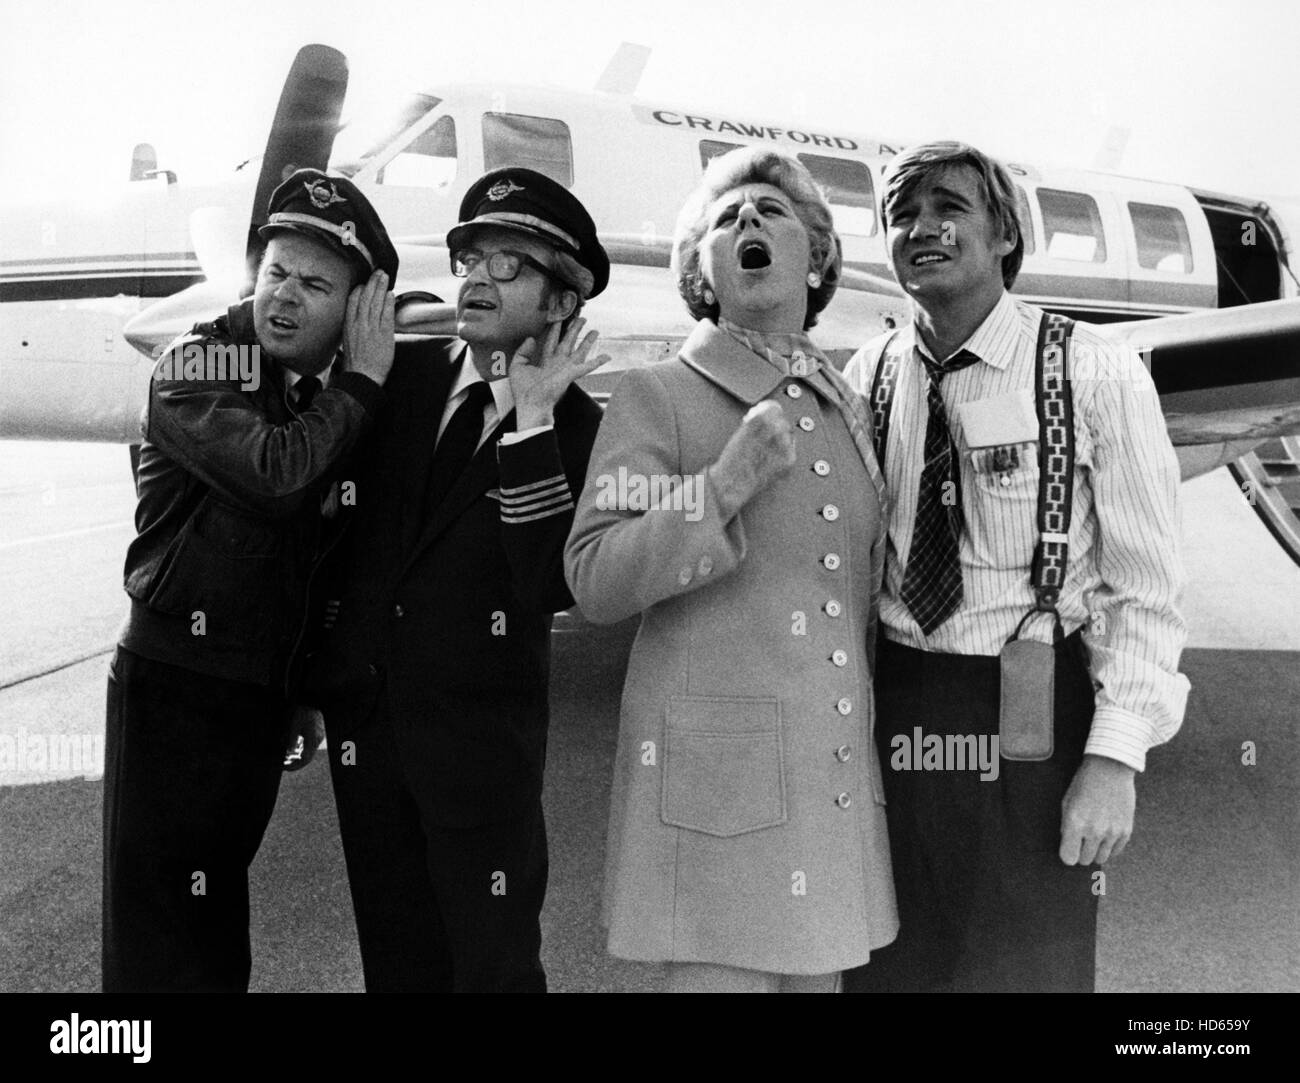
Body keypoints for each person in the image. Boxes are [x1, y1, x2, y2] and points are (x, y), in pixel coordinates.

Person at [840, 142, 1190, 993]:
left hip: (1030, 715)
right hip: (897, 707)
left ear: (1005, 234)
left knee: (1024, 975)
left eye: (948, 208)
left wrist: (1114, 761)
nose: (922, 229)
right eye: (903, 215)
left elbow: (1146, 587)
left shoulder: (1095, 369)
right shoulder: (869, 373)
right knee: (888, 970)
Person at [564, 146, 897, 993]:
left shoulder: (845, 405)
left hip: (827, 804)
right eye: (725, 220)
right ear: (702, 272)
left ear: (817, 257)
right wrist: (719, 490)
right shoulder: (659, 395)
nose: (748, 221)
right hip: (717, 807)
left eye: (772, 212)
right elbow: (595, 576)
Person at [299, 167, 608, 993]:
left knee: (493, 970)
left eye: (509, 264)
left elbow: (551, 584)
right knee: (396, 969)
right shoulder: (397, 377)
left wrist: (533, 422)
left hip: (480, 760)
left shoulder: (582, 431)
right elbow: (333, 535)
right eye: (472, 255)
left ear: (560, 302)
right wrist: (308, 682)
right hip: (370, 736)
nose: (477, 276)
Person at [103, 168, 398, 992]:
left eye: (314, 283)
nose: (286, 297)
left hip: (255, 695)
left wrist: (296, 691)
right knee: (157, 933)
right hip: (174, 685)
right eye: (275, 272)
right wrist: (364, 384)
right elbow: (278, 476)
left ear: (352, 307)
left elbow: (315, 560)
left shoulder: (316, 394)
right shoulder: (201, 362)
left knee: (215, 921)